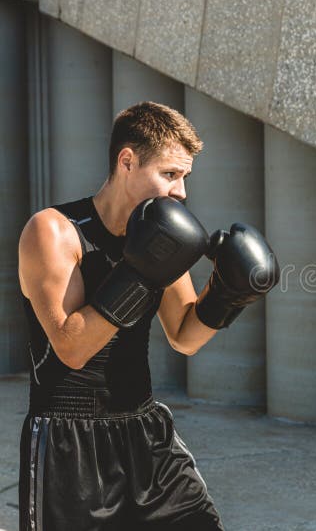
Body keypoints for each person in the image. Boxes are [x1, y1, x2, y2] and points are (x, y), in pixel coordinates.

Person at [17, 101, 279, 530]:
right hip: (71, 443)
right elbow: (70, 347)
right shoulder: (54, 230)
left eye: (185, 177)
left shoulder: (160, 235)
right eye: (170, 174)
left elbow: (184, 335)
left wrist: (227, 294)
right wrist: (139, 273)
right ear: (127, 161)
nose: (181, 192)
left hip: (145, 433)